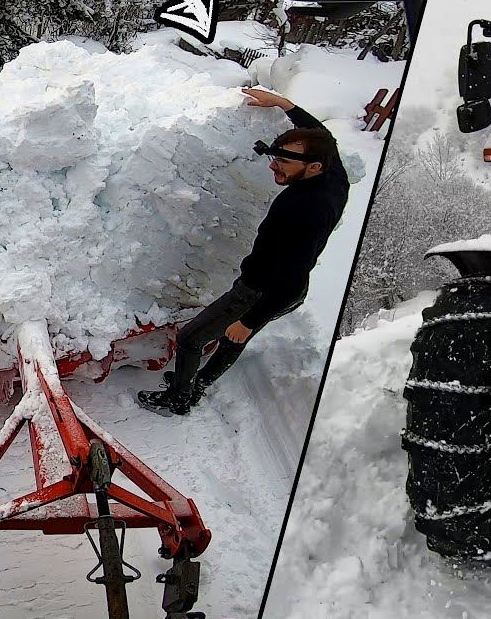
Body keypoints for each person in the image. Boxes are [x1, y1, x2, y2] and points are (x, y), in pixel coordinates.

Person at [136, 87, 349, 416]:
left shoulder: (305, 209)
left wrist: (248, 321)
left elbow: (291, 280)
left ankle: (179, 398)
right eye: (274, 157)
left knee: (192, 338)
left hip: (262, 291)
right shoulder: (334, 178)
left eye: (283, 161)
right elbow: (325, 136)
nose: (273, 166)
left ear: (313, 167)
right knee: (231, 339)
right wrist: (283, 104)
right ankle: (199, 385)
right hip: (279, 287)